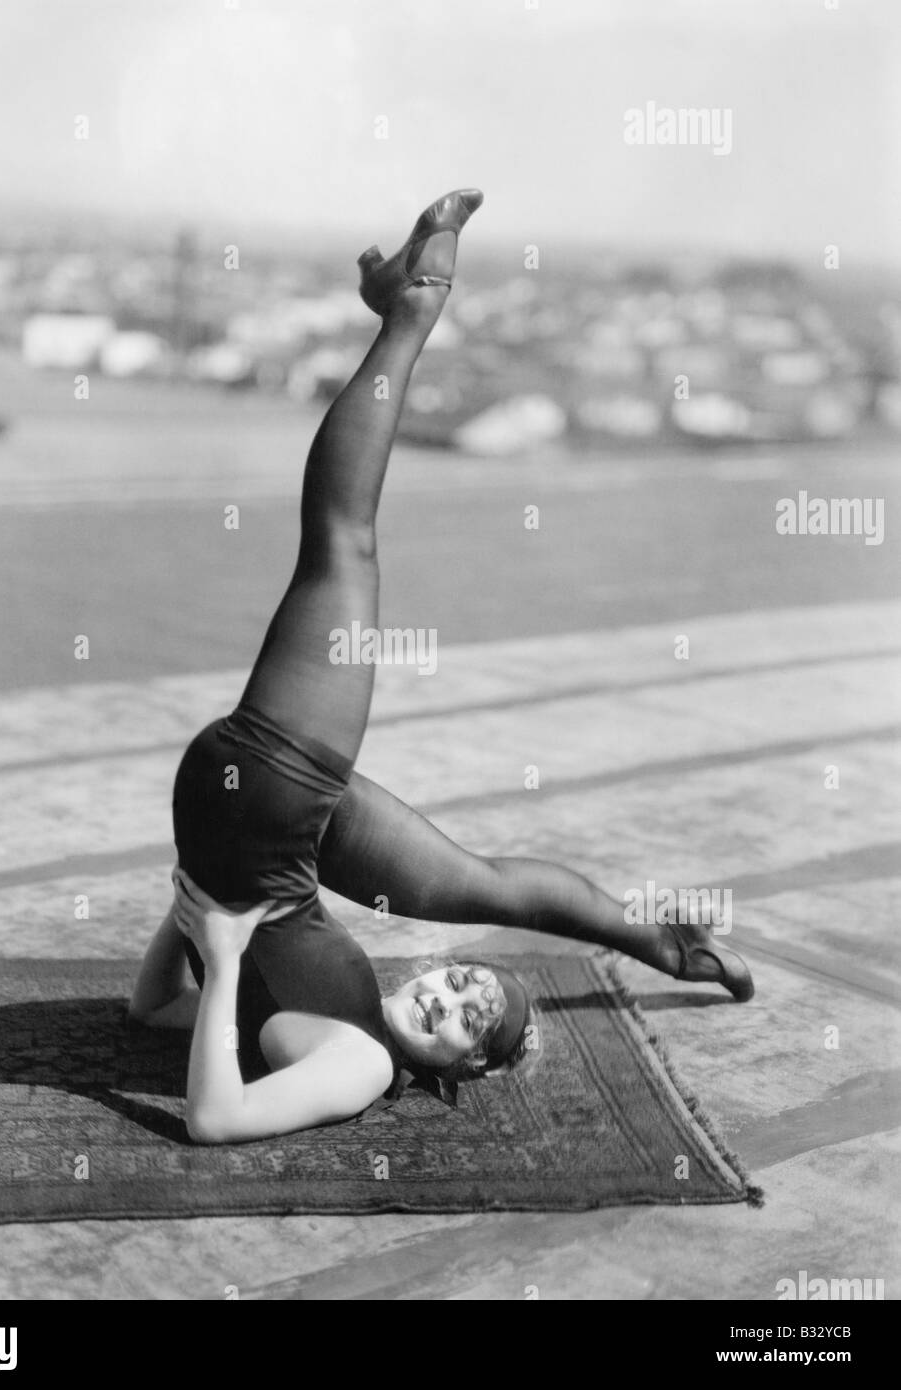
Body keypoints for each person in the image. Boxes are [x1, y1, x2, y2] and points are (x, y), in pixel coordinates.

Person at [129, 189, 753, 1145]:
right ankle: (662, 942)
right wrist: (196, 922)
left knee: (342, 547)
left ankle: (409, 314)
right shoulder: (361, 1008)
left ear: (457, 1074)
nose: (449, 1000)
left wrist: (213, 936)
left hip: (254, 817)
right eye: (466, 984)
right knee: (479, 885)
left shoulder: (362, 1063)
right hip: (256, 833)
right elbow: (149, 1014)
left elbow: (212, 1119)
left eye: (469, 1022)